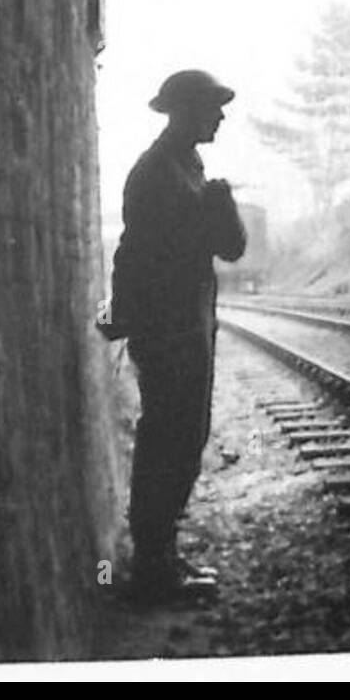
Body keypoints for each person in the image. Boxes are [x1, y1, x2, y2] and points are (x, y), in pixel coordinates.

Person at [110, 69, 247, 604]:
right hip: (169, 332)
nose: (221, 115)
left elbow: (227, 246)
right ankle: (153, 569)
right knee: (167, 439)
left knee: (183, 439)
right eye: (213, 106)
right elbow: (142, 255)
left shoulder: (185, 167)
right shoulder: (157, 174)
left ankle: (161, 554)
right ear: (186, 110)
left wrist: (218, 202)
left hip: (188, 328)